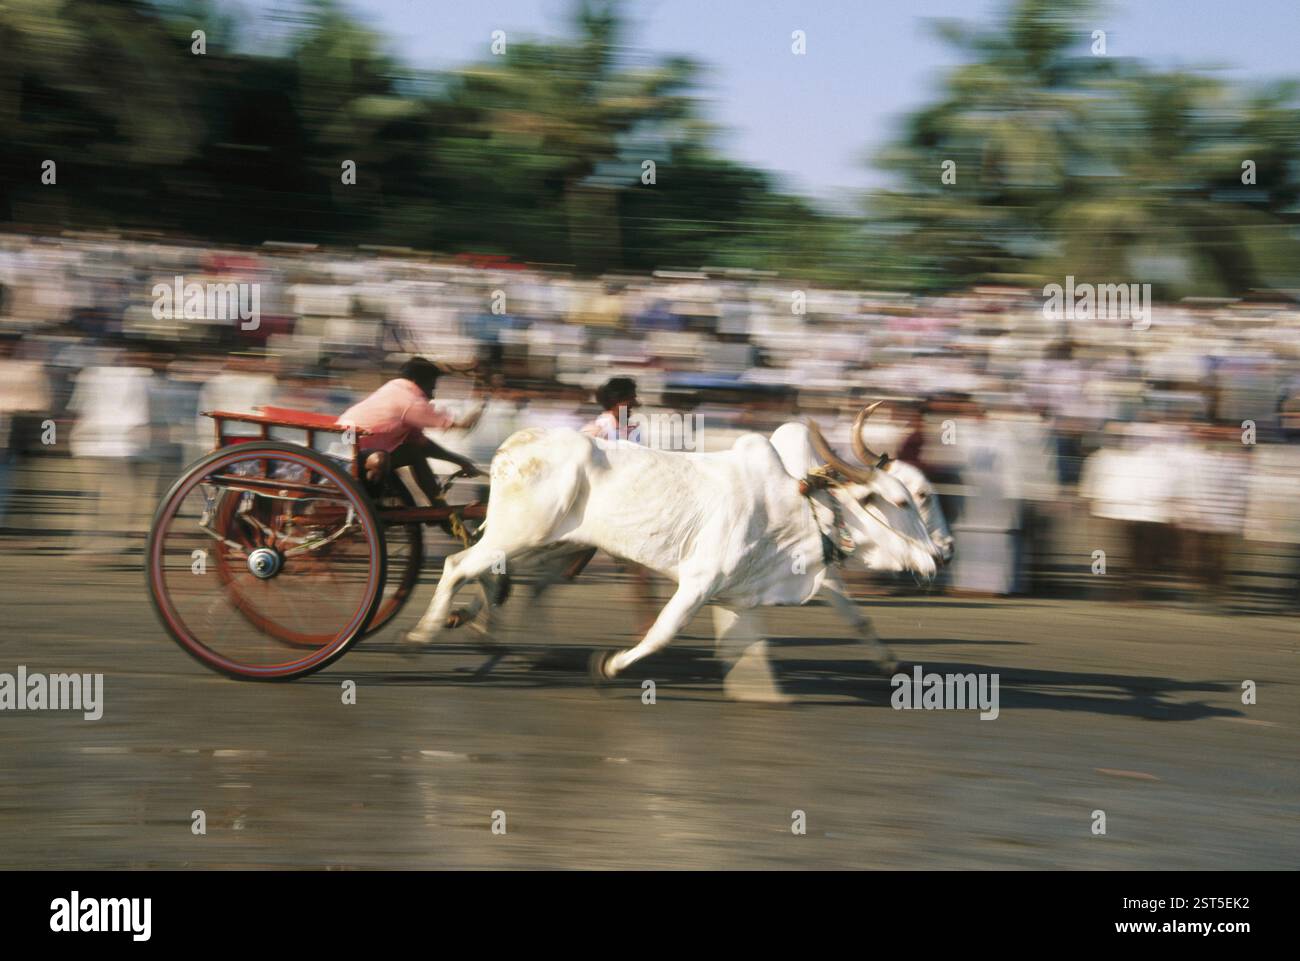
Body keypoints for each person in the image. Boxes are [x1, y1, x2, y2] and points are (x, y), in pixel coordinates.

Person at [337, 357, 483, 504]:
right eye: (430, 388)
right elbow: (459, 425)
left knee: (413, 452)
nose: (432, 396)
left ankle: (438, 505)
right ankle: (436, 506)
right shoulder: (409, 400)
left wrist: (460, 461)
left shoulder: (395, 389)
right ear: (415, 381)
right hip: (346, 452)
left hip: (350, 444)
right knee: (398, 456)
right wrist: (478, 408)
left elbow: (421, 444)